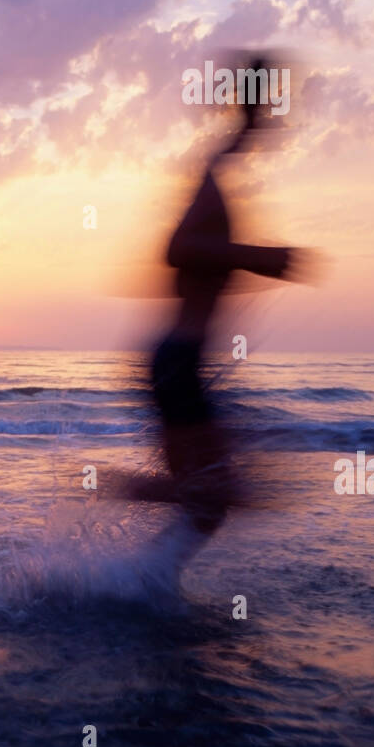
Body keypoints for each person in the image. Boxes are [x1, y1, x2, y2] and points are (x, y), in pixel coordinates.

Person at [137, 55, 312, 592]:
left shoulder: (215, 177)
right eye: (263, 112)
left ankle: (134, 578)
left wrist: (251, 262)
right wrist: (257, 257)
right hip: (177, 363)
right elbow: (176, 249)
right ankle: (137, 580)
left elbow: (199, 256)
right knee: (215, 498)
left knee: (212, 497)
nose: (272, 126)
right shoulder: (210, 185)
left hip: (179, 362)